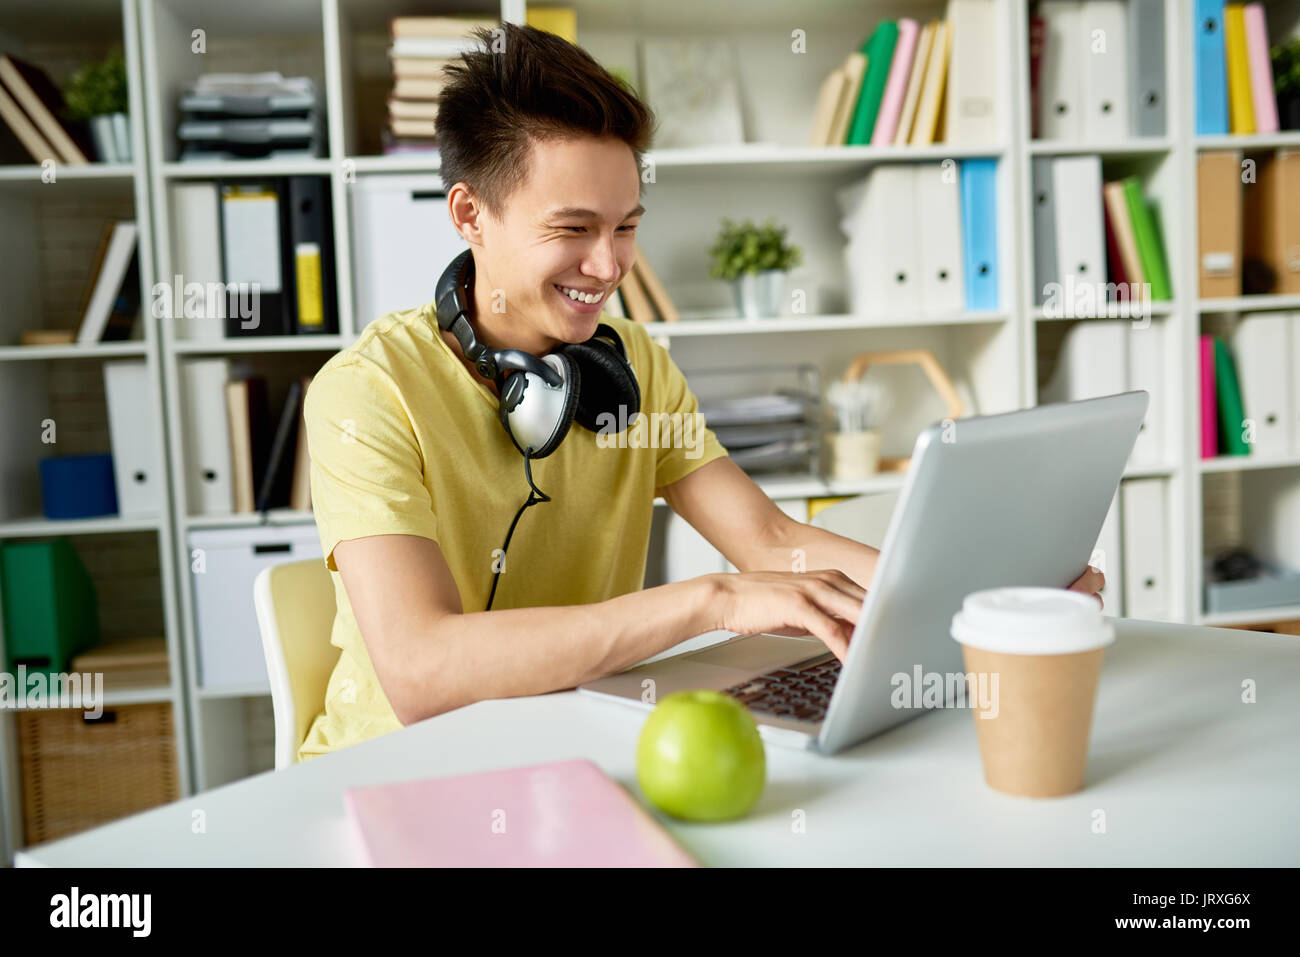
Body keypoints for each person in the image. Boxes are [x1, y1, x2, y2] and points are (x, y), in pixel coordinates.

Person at [297, 23, 1103, 761]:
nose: (610, 267)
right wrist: (709, 600)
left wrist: (982, 596)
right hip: (392, 773)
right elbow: (423, 671)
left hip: (568, 743)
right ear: (470, 214)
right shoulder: (366, 396)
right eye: (574, 229)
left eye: (626, 226)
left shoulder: (631, 364)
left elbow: (768, 537)